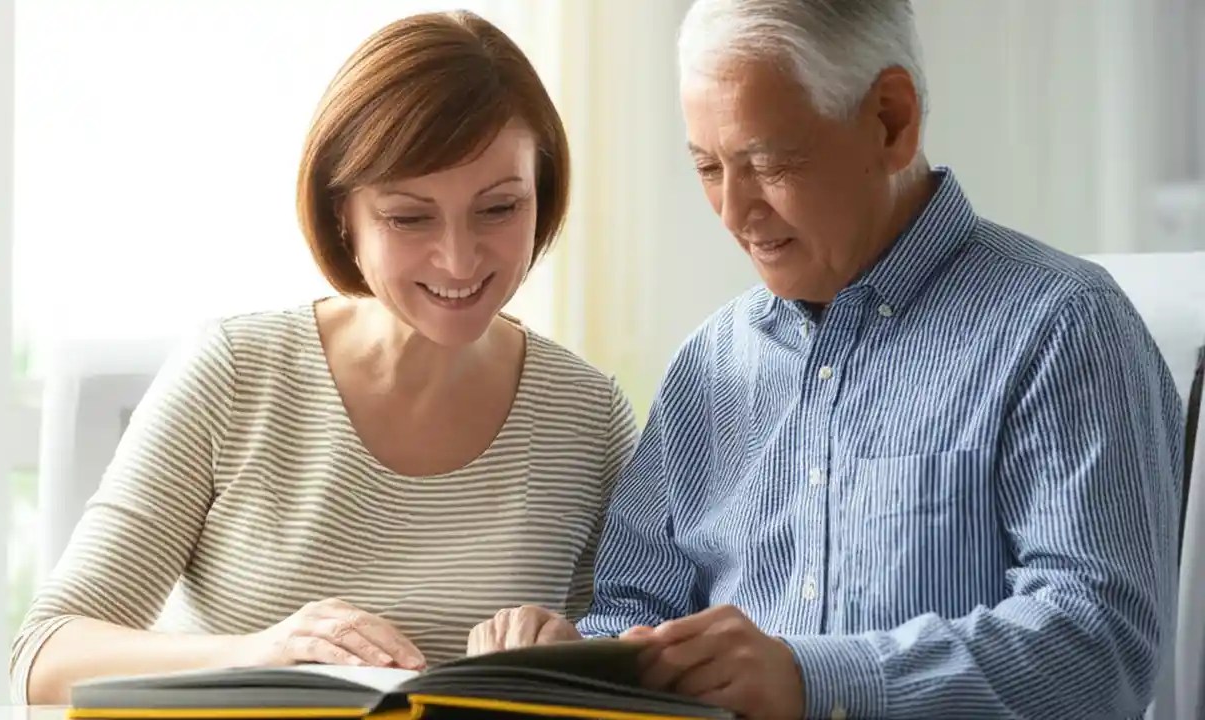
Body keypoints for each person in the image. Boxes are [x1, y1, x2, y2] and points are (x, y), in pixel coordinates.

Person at [468, 1, 1183, 718]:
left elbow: (1101, 645)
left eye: (772, 163)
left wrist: (815, 681)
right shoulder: (708, 368)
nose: (734, 211)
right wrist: (574, 659)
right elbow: (636, 606)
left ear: (891, 121)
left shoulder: (1063, 327)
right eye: (710, 168)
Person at [11, 10, 638, 705]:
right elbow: (43, 657)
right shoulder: (234, 374)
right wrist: (259, 655)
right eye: (409, 217)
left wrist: (566, 654)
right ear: (344, 213)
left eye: (498, 209)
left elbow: (622, 660)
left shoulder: (588, 415)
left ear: (540, 196)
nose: (459, 258)